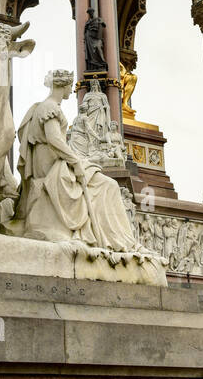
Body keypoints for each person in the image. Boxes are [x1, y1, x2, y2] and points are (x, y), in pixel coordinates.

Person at [11, 70, 137, 252]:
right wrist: (75, 161)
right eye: (70, 86)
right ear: (62, 85)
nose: (72, 90)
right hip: (55, 169)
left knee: (106, 184)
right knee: (108, 186)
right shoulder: (49, 108)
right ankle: (116, 241)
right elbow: (54, 140)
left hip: (58, 165)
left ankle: (119, 241)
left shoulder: (45, 107)